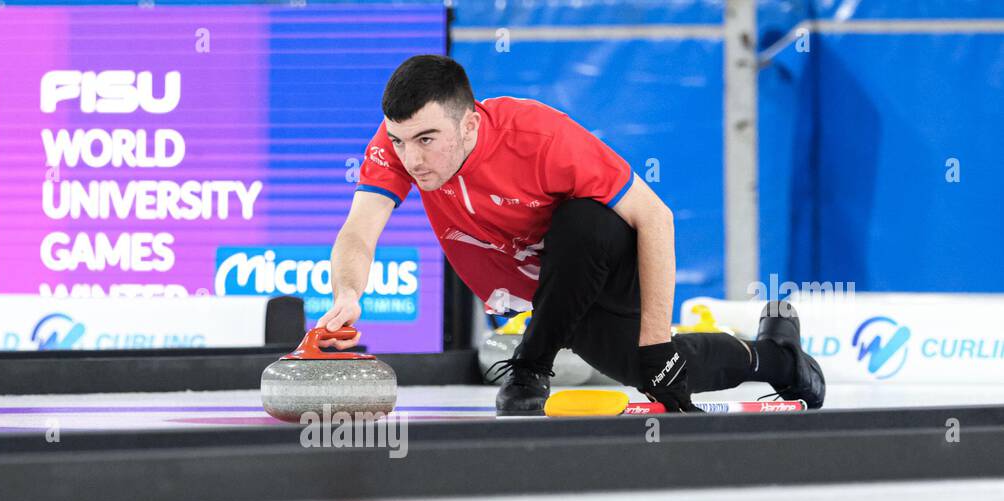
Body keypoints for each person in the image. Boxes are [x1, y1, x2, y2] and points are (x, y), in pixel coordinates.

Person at [316, 54, 825, 414]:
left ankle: (530, 368)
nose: (412, 158)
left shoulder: (540, 137)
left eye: (427, 140)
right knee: (655, 374)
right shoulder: (397, 144)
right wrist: (348, 292)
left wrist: (655, 338)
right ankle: (780, 358)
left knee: (584, 220)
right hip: (552, 290)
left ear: (469, 125)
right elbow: (359, 231)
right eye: (401, 141)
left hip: (607, 256)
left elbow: (656, 218)